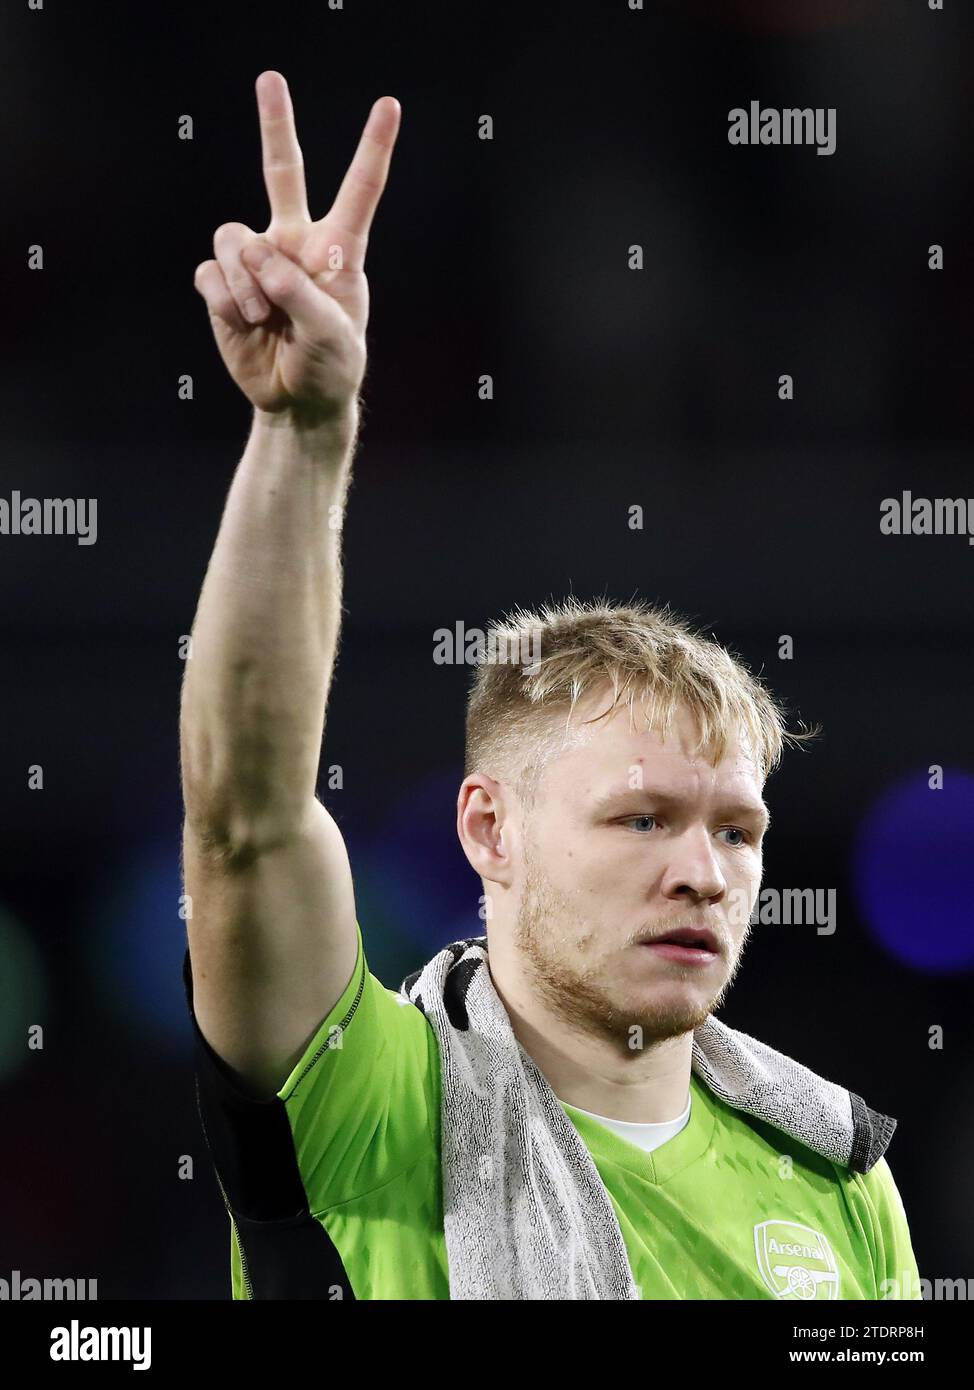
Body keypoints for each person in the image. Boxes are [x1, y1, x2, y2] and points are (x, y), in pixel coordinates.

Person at [181, 71, 921, 1301]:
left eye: (736, 830)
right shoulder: (374, 1101)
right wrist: (304, 435)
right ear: (491, 827)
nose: (704, 872)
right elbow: (244, 814)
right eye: (640, 817)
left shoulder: (839, 1179)